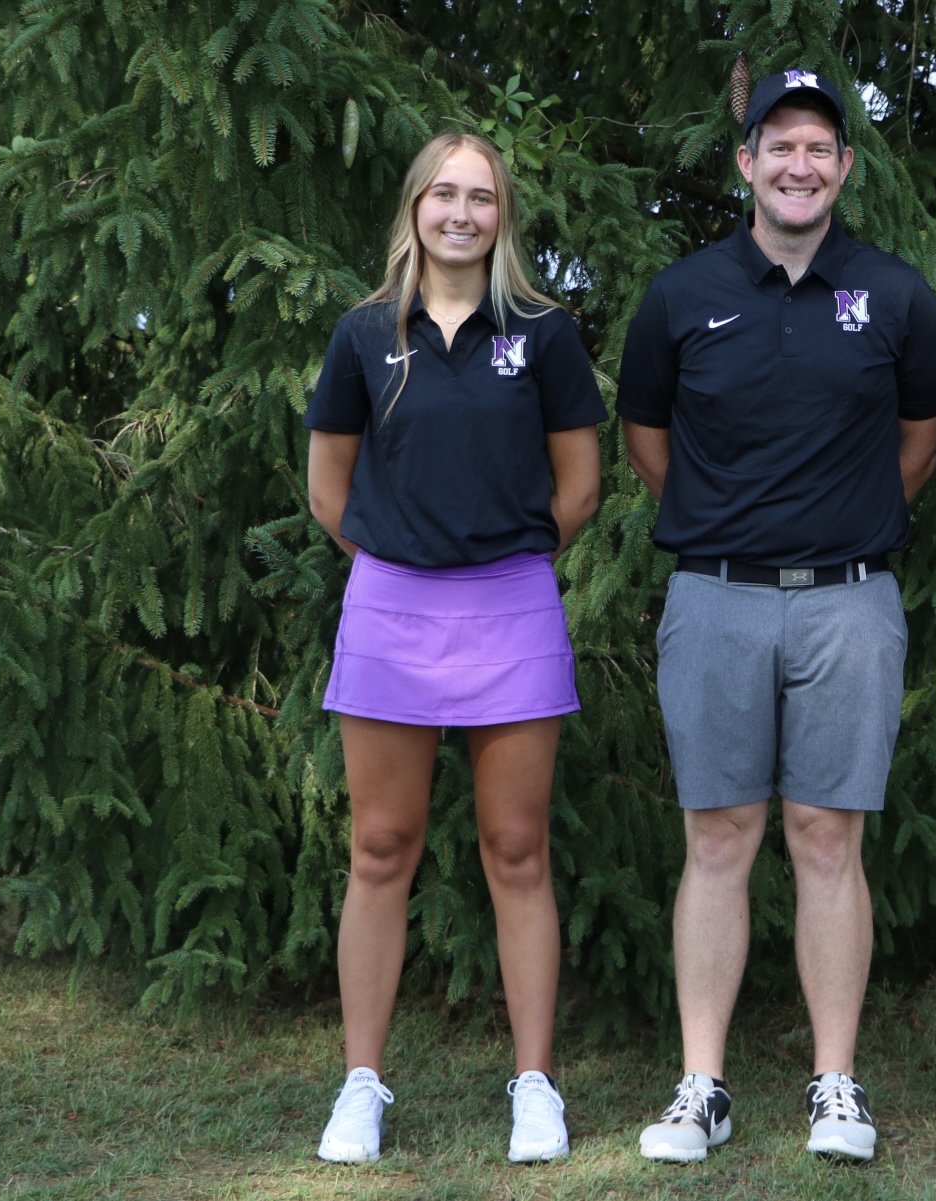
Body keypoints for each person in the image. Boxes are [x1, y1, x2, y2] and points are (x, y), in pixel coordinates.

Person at [615, 68, 936, 1163]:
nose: (798, 164)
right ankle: (702, 1085)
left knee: (825, 838)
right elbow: (648, 443)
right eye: (779, 145)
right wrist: (729, 530)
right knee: (717, 838)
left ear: (843, 168)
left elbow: (921, 437)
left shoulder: (895, 297)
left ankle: (833, 1083)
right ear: (746, 163)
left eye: (819, 148)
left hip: (848, 603)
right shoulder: (681, 296)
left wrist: (842, 524)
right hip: (713, 598)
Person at [302, 131, 605, 1165]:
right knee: (379, 850)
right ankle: (360, 1086)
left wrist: (495, 561)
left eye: (481, 196)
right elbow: (328, 487)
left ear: (501, 215)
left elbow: (579, 487)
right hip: (389, 608)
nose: (462, 212)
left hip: (511, 608)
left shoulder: (545, 335)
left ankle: (534, 1087)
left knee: (516, 852)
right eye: (444, 193)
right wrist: (405, 557)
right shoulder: (360, 334)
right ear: (416, 208)